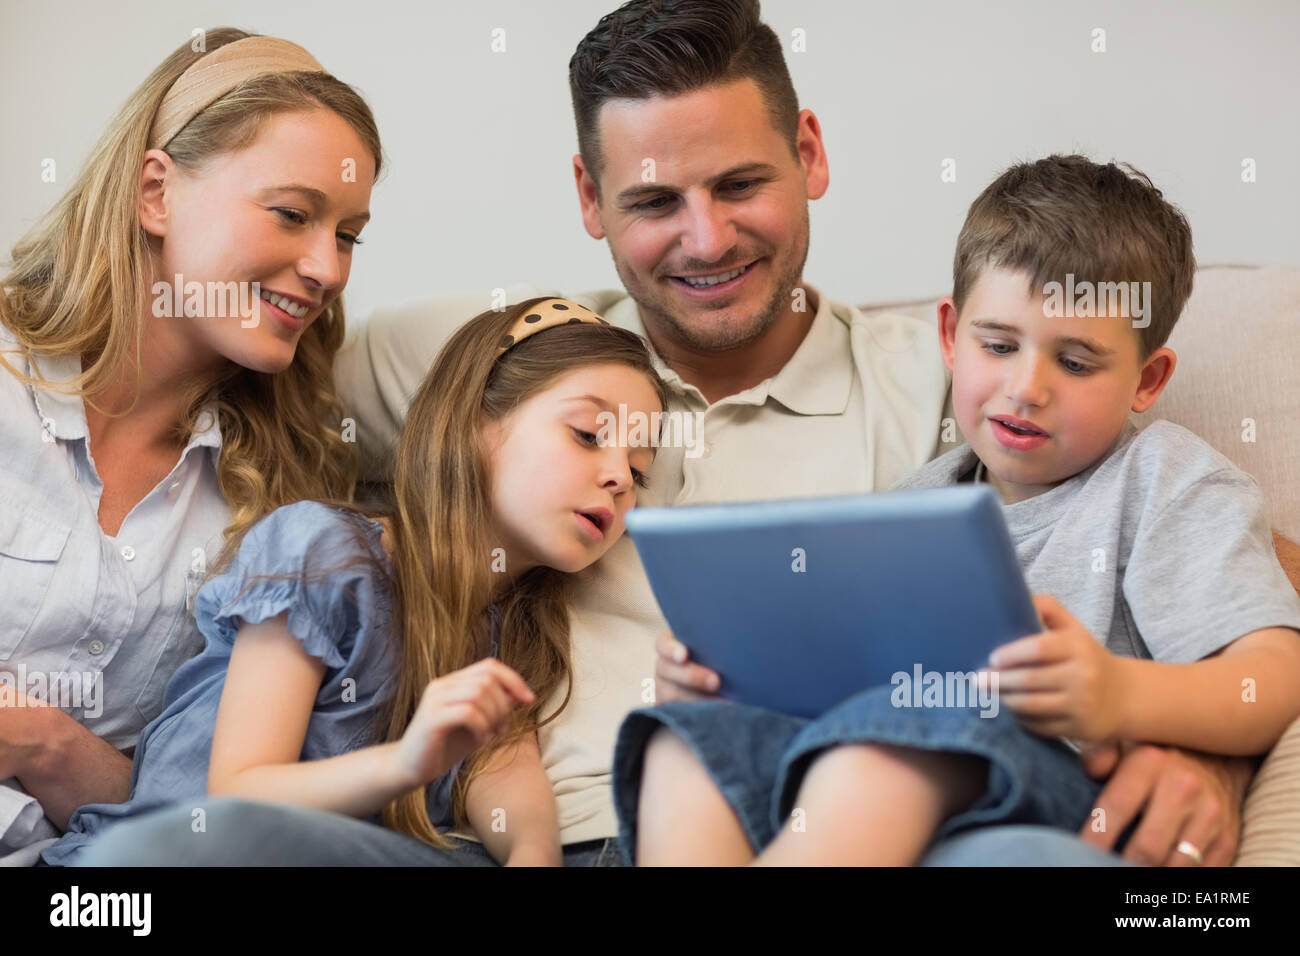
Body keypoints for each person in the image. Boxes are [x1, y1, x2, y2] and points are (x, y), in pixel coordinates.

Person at [79, 0, 1291, 867]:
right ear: (588, 199)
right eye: (653, 200)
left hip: (853, 804)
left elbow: (1219, 546)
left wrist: (1186, 734)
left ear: (809, 154)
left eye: (739, 185)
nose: (704, 239)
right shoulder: (476, 355)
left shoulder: (962, 376)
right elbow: (232, 327)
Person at [614, 155, 1300, 866]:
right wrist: (724, 685)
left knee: (902, 732)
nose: (1026, 388)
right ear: (950, 336)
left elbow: (1274, 676)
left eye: (1076, 362)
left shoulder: (1164, 480)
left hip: (1054, 789)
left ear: (1146, 379)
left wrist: (1120, 692)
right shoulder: (911, 509)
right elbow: (838, 698)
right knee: (683, 742)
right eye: (998, 346)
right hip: (883, 807)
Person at [48, 298, 666, 866]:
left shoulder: (512, 629)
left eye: (640, 469)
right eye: (588, 435)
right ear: (475, 422)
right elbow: (240, 793)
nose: (618, 477)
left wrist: (534, 854)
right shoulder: (323, 552)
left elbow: (508, 784)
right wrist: (407, 762)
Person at [0, 28, 378, 865]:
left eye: (350, 234)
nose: (328, 268)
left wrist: (44, 742)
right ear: (155, 193)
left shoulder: (281, 502)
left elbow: (187, 814)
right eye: (292, 213)